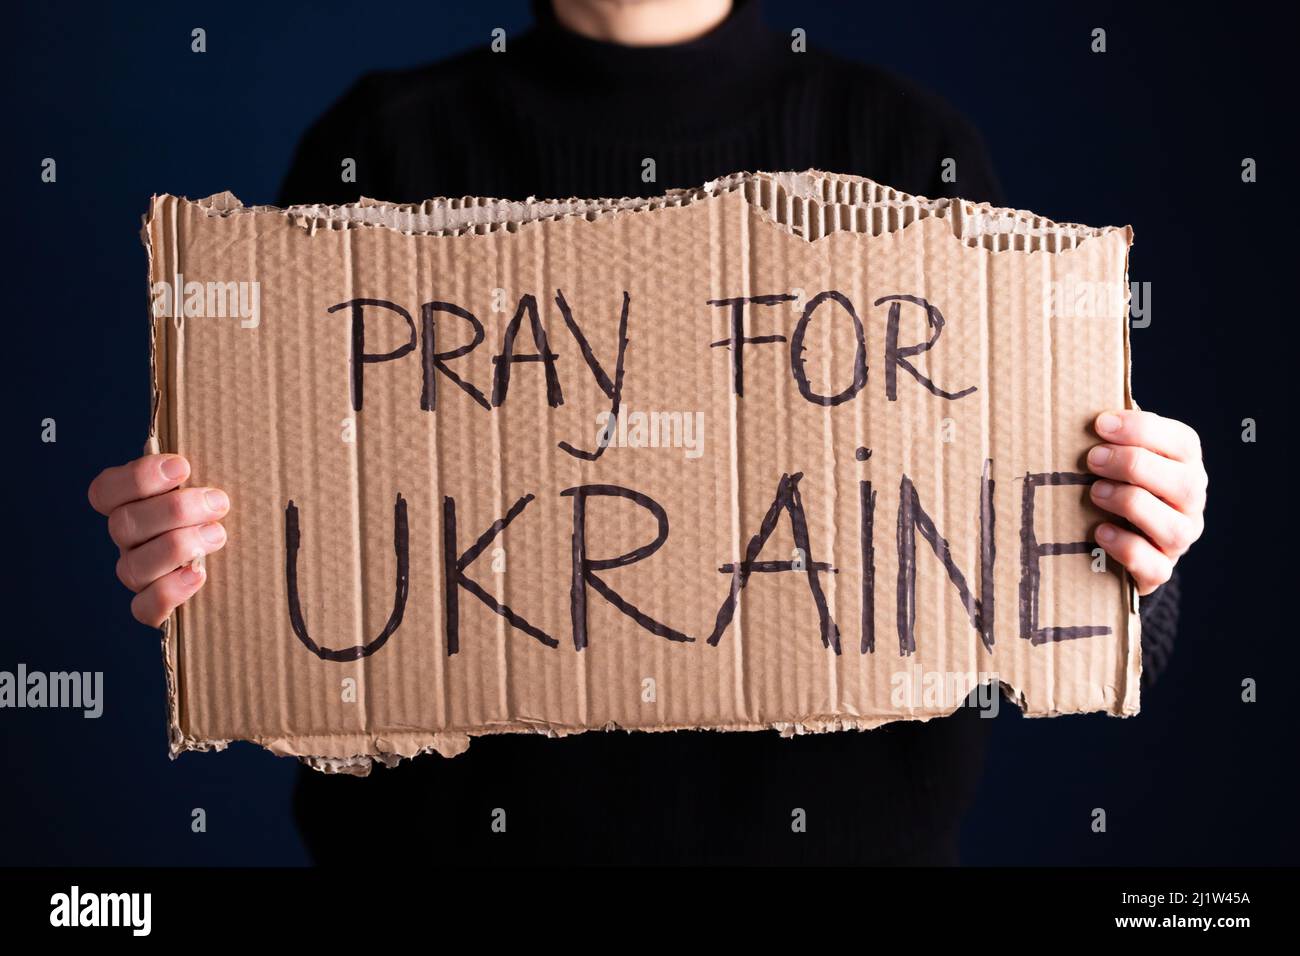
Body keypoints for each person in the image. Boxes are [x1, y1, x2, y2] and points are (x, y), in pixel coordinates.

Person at [87, 0, 1206, 864]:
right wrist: (185, 544)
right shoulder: (381, 145)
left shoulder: (903, 147)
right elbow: (294, 571)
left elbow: (1026, 591)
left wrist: (1137, 548)